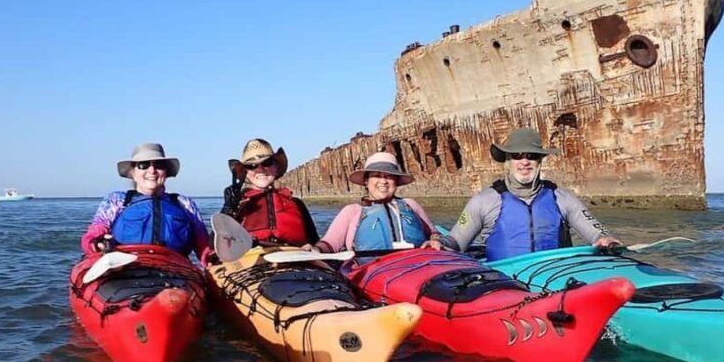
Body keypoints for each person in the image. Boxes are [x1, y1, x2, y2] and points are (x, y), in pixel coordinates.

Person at [441, 127, 622, 262]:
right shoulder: (483, 201)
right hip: (504, 285)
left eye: (532, 156)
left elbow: (597, 233)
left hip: (556, 280)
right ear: (508, 161)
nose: (525, 162)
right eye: (517, 156)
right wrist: (440, 243)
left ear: (540, 161)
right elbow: (455, 242)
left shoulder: (563, 199)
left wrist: (604, 238)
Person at [81, 142, 212, 264]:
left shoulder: (185, 204)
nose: (152, 170)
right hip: (126, 269)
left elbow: (203, 245)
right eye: (143, 165)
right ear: (132, 172)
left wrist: (212, 258)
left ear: (166, 172)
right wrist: (97, 244)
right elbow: (93, 235)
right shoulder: (116, 201)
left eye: (159, 165)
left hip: (176, 269)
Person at [303, 152, 443, 259]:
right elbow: (330, 243)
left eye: (389, 176)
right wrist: (316, 250)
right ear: (366, 181)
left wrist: (434, 241)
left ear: (396, 181)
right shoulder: (352, 211)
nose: (383, 181)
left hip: (416, 264)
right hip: (370, 271)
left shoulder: (411, 205)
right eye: (376, 175)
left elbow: (434, 233)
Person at [221, 138, 319, 247]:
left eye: (267, 163)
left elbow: (314, 242)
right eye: (252, 165)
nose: (260, 169)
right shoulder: (238, 204)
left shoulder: (296, 203)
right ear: (245, 172)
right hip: (252, 260)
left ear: (276, 167)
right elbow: (215, 245)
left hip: (293, 257)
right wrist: (227, 209)